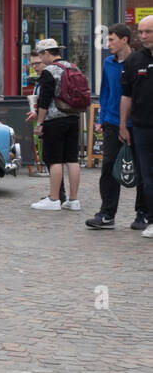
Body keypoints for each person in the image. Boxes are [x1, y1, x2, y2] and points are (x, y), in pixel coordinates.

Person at [88, 24, 144, 229]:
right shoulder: (108, 63)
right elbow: (105, 91)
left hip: (136, 123)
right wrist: (102, 118)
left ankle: (142, 213)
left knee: (141, 168)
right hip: (112, 121)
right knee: (109, 168)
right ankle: (107, 214)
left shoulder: (139, 61)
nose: (108, 43)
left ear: (124, 39)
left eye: (111, 40)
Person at [29, 38, 81, 211]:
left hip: (55, 119)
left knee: (55, 160)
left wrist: (40, 123)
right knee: (72, 160)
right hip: (74, 117)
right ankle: (73, 200)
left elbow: (44, 102)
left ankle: (53, 199)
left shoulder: (49, 71)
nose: (40, 59)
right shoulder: (72, 67)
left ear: (47, 53)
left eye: (41, 54)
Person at [121, 15, 153, 236]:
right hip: (142, 127)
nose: (143, 36)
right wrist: (123, 125)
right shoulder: (135, 60)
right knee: (147, 176)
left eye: (148, 32)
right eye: (140, 32)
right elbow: (126, 95)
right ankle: (151, 219)